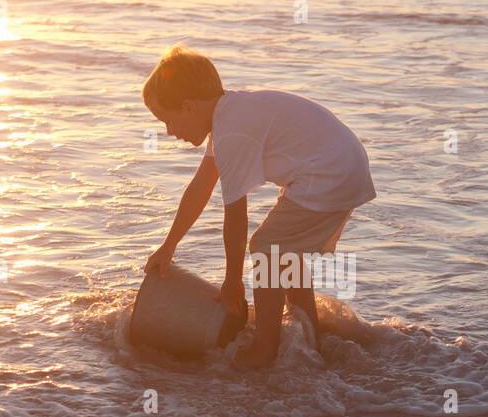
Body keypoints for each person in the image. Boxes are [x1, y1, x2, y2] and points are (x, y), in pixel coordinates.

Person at [142, 45, 375, 369]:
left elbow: (236, 216)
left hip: (330, 172)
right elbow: (200, 188)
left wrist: (232, 281)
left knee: (265, 247)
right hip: (343, 164)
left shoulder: (232, 131)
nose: (170, 133)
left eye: (168, 122)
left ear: (188, 107)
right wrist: (169, 247)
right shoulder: (230, 116)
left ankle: (266, 348)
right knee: (284, 251)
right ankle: (308, 334)